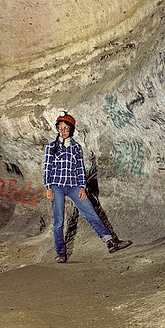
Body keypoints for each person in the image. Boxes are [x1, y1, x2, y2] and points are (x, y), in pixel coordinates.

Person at [43, 111, 131, 263]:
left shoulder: (76, 147)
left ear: (71, 129)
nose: (63, 131)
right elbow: (47, 168)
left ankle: (111, 242)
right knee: (58, 221)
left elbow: (79, 169)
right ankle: (61, 253)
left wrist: (82, 187)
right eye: (60, 128)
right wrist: (48, 188)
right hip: (56, 186)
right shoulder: (51, 147)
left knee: (91, 213)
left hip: (73, 186)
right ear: (57, 129)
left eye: (66, 128)